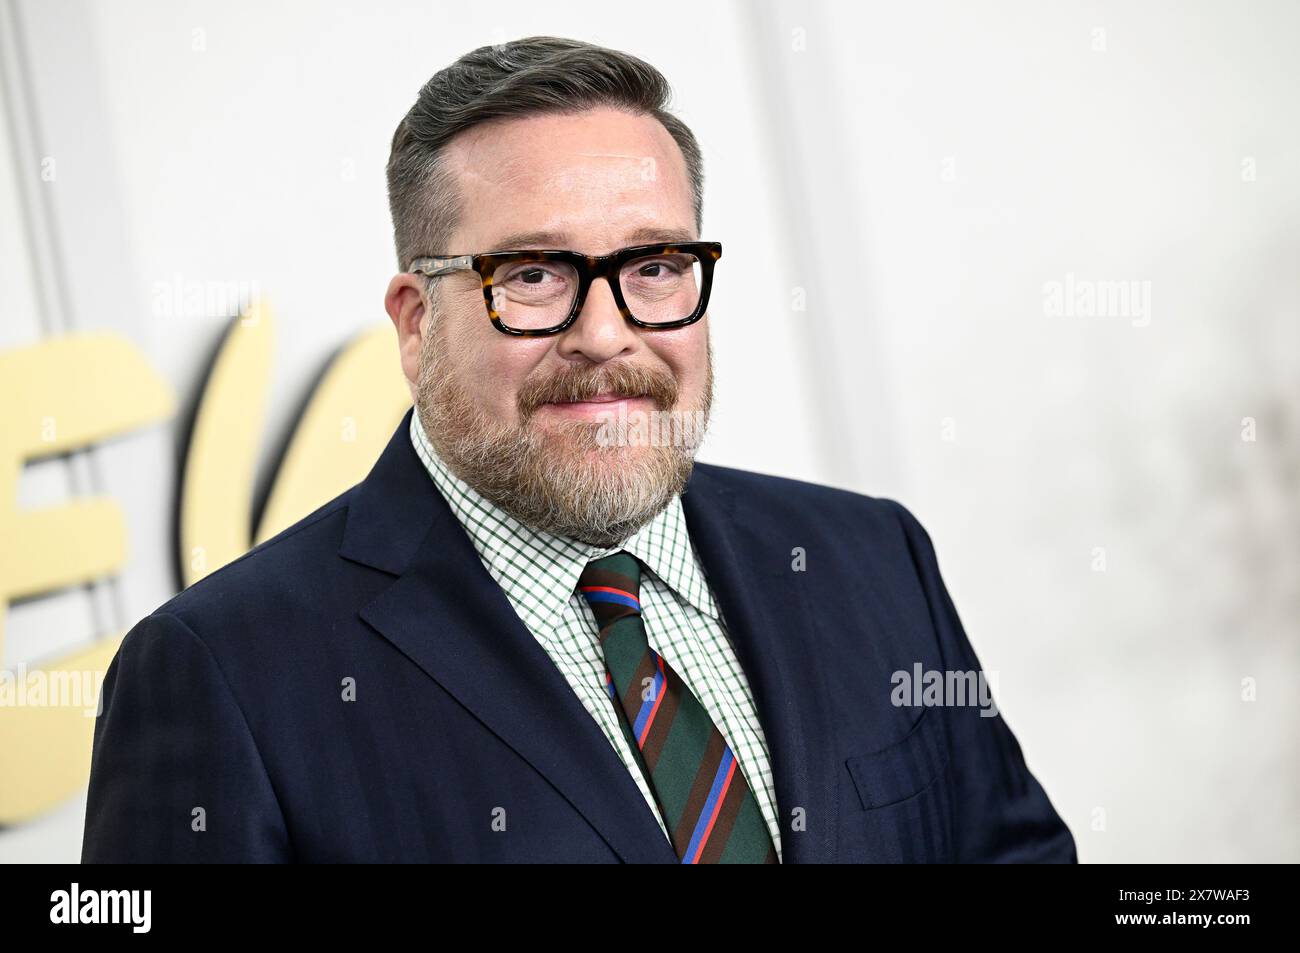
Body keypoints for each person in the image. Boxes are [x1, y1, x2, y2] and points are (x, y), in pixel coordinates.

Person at [82, 35, 1075, 863]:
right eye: (535, 275)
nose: (605, 334)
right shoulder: (225, 673)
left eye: (652, 265)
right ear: (416, 321)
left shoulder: (869, 557)